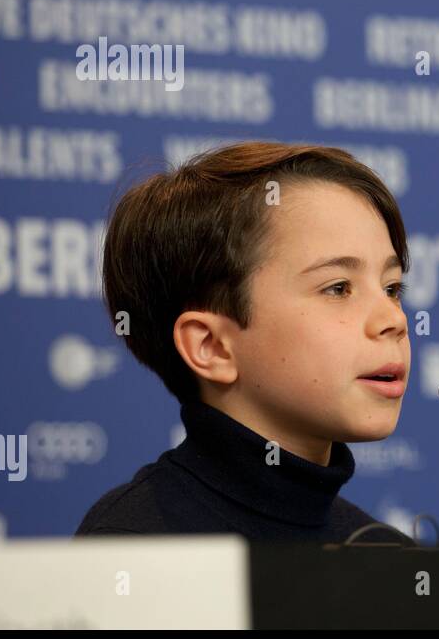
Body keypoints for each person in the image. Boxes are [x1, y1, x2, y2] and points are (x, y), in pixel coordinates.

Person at [77, 142, 414, 544]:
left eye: (392, 288)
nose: (394, 320)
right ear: (211, 347)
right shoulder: (132, 548)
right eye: (338, 288)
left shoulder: (387, 554)